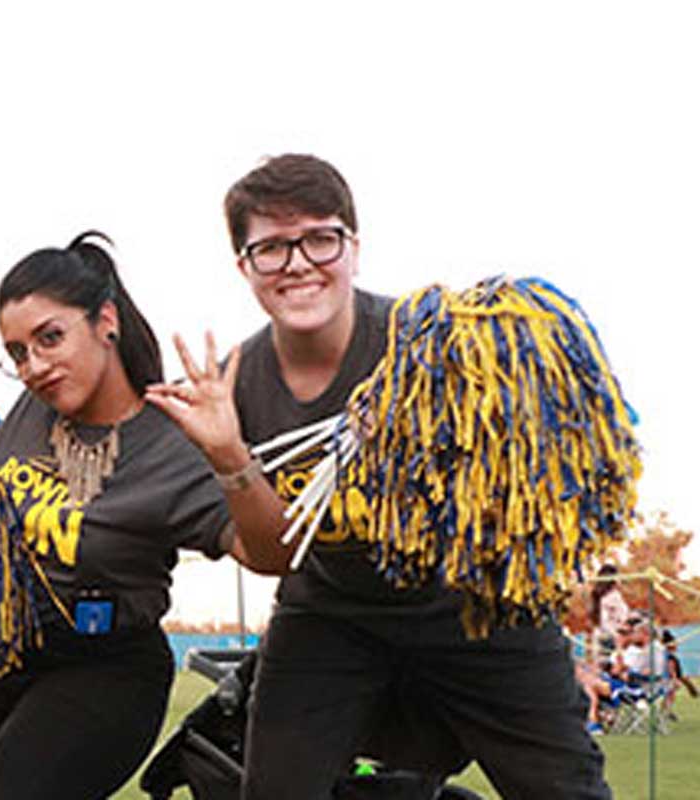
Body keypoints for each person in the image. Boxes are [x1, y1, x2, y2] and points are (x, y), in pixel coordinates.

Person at [145, 153, 610, 798]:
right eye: (272, 248)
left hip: (472, 610)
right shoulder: (234, 386)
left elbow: (529, 486)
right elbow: (277, 554)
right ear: (245, 268)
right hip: (331, 614)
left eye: (319, 238)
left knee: (567, 790)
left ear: (354, 248)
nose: (299, 262)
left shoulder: (434, 345)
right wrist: (230, 456)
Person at [0, 232, 278, 800]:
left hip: (105, 673)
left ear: (105, 321)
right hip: (4, 660)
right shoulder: (33, 408)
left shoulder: (171, 440)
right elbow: (17, 506)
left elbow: (268, 555)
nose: (34, 365)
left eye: (50, 338)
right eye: (18, 353)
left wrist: (230, 456)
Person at [589, 564, 631, 662]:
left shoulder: (601, 597)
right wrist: (618, 634)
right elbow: (605, 621)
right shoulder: (613, 596)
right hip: (612, 639)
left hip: (602, 637)